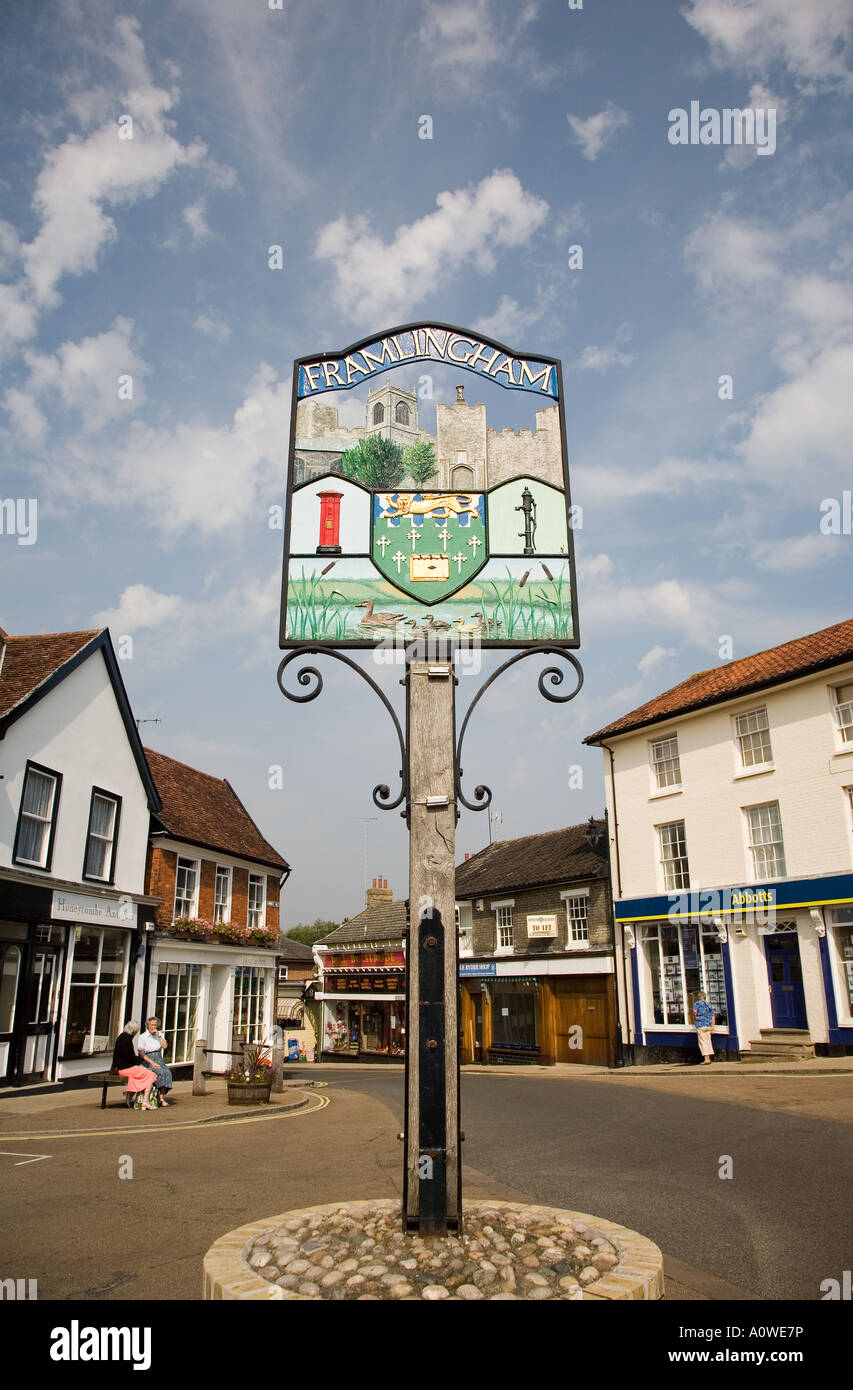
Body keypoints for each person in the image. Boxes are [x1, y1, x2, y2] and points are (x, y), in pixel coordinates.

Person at [112, 1021, 156, 1109]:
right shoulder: (127, 1039)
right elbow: (129, 1056)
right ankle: (145, 1101)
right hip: (125, 1069)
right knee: (151, 1075)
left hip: (121, 1068)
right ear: (133, 1030)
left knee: (138, 1076)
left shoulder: (122, 1037)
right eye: (136, 1031)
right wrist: (139, 1064)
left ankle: (129, 1097)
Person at [136, 1016, 174, 1104]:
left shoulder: (160, 1035)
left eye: (155, 1025)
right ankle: (156, 1096)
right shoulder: (143, 1037)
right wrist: (152, 1062)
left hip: (158, 1058)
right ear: (148, 1026)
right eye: (152, 1025)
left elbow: (164, 1046)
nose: (154, 1027)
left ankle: (161, 1097)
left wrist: (159, 1037)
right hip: (148, 1059)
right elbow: (141, 1054)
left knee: (167, 1072)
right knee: (160, 1072)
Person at [693, 991, 715, 1064]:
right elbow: (712, 1015)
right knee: (708, 1041)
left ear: (699, 997)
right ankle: (708, 1057)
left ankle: (706, 1058)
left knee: (702, 1041)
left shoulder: (697, 1003)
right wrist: (713, 1026)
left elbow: (695, 1012)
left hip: (701, 1024)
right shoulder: (708, 1005)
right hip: (708, 1024)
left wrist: (695, 1016)